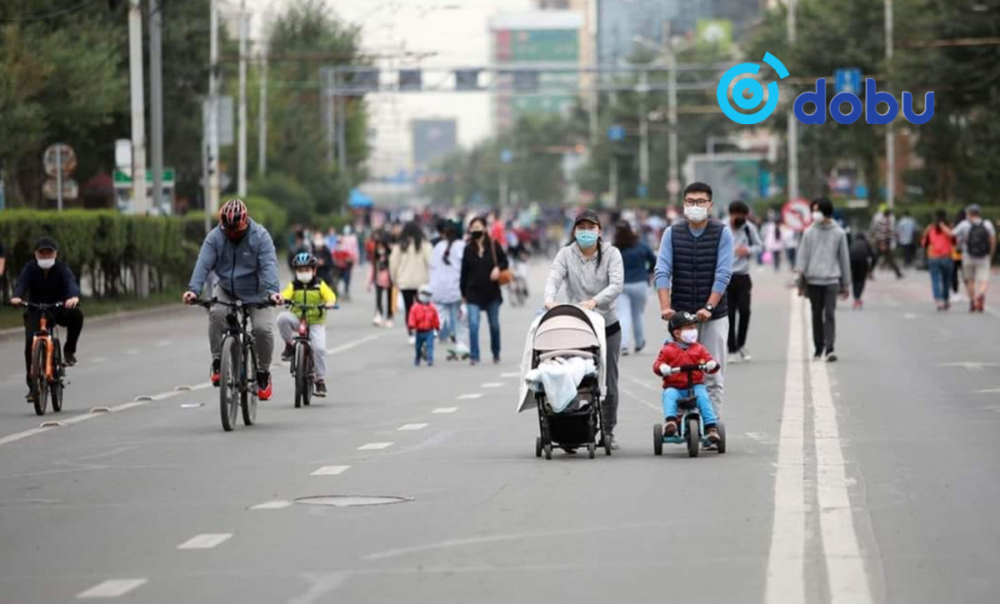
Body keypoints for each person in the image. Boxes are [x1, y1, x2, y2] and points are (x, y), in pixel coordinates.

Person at [183, 198, 282, 400]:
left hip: (258, 291)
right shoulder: (215, 237)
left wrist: (273, 292)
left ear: (244, 222)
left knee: (262, 329)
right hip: (227, 288)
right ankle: (218, 360)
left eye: (235, 229)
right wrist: (193, 290)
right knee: (217, 313)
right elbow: (203, 263)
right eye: (226, 228)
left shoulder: (260, 236)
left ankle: (263, 373)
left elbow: (269, 264)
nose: (231, 233)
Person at [545, 210, 624, 448]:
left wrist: (595, 301)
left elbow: (617, 284)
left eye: (591, 228)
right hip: (578, 327)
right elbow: (554, 277)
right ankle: (570, 425)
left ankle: (608, 429)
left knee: (609, 379)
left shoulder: (611, 253)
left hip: (607, 323)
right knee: (574, 376)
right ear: (574, 231)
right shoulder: (566, 254)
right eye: (581, 228)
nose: (586, 232)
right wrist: (549, 299)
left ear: (599, 231)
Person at [655, 182, 733, 418]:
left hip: (713, 315)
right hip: (681, 317)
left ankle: (711, 424)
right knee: (677, 371)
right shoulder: (672, 233)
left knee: (712, 372)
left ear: (710, 205)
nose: (695, 206)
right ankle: (679, 419)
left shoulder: (722, 232)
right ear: (683, 205)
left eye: (700, 202)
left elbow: (723, 273)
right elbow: (662, 270)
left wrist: (709, 306)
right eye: (690, 201)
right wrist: (665, 307)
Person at [10, 237, 84, 402]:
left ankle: (69, 351)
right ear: (35, 254)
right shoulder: (30, 268)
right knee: (30, 343)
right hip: (35, 309)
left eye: (48, 253)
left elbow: (70, 282)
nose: (45, 257)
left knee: (77, 315)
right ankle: (32, 387)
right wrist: (16, 297)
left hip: (57, 308)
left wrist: (73, 297)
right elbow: (21, 284)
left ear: (55, 254)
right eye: (41, 253)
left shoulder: (61, 268)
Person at [796, 198, 851, 362]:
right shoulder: (808, 232)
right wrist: (800, 281)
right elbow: (802, 258)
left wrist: (846, 284)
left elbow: (844, 259)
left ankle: (830, 348)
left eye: (817, 210)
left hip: (832, 280)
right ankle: (818, 348)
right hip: (813, 280)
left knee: (830, 314)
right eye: (813, 210)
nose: (814, 214)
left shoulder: (839, 233)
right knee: (816, 314)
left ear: (826, 212)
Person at [653, 312, 721, 443]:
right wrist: (662, 368)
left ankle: (711, 427)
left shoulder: (699, 349)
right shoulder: (668, 350)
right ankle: (671, 422)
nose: (693, 331)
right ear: (677, 333)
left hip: (695, 385)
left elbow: (710, 362)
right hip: (674, 386)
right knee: (668, 395)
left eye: (694, 327)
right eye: (689, 328)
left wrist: (711, 364)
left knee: (703, 397)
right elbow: (658, 364)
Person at [276, 252, 337, 397]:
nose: (304, 273)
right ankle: (290, 345)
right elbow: (285, 294)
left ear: (314, 270)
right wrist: (281, 299)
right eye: (300, 270)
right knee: (282, 318)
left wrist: (329, 303)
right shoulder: (294, 285)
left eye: (307, 270)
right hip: (298, 318)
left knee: (319, 349)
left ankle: (320, 380)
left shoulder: (319, 284)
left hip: (316, 321)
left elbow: (330, 295)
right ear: (296, 272)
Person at [461, 216, 509, 365]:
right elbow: (464, 272)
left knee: (494, 325)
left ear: (485, 228)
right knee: (473, 324)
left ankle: (496, 352)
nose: (475, 230)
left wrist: (497, 268)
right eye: (472, 227)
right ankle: (474, 355)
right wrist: (462, 293)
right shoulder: (468, 249)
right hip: (473, 292)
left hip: (492, 293)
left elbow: (505, 261)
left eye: (478, 227)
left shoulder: (494, 245)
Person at [727, 201, 763, 362]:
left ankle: (741, 343)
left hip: (743, 275)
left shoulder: (749, 228)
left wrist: (747, 250)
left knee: (745, 310)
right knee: (728, 314)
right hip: (725, 276)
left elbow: (760, 246)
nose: (740, 219)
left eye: (743, 216)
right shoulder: (722, 228)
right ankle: (731, 348)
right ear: (731, 214)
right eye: (737, 215)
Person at [613, 220, 656, 356]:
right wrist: (648, 273)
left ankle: (624, 345)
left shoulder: (615, 249)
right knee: (637, 314)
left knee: (623, 315)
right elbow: (654, 261)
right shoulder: (641, 246)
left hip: (621, 285)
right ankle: (639, 342)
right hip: (640, 284)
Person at [390, 221, 432, 344]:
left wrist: (395, 279)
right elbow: (431, 262)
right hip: (422, 282)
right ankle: (422, 331)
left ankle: (411, 333)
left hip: (405, 281)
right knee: (423, 308)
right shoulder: (425, 245)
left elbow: (393, 263)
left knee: (409, 309)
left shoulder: (400, 245)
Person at [952, 204, 996, 312]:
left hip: (968, 255)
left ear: (969, 213)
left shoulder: (964, 224)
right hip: (983, 256)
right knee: (984, 279)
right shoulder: (987, 224)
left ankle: (972, 301)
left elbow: (953, 234)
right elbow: (992, 239)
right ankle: (981, 294)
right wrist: (991, 253)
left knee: (969, 280)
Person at [429, 220, 466, 348]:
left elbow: (431, 266)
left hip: (438, 289)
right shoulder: (461, 246)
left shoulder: (438, 247)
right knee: (458, 318)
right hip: (456, 289)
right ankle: (459, 343)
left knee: (439, 318)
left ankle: (429, 340)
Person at [921, 209, 955, 311]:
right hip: (946, 257)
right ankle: (946, 300)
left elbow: (923, 243)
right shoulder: (948, 228)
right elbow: (954, 239)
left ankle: (938, 301)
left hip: (933, 257)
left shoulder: (930, 229)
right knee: (946, 280)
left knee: (935, 280)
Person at [408, 284, 441, 367]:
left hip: (429, 330)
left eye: (428, 295)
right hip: (419, 331)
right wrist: (412, 326)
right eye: (425, 294)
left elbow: (435, 318)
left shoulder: (432, 307)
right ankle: (417, 358)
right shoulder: (415, 307)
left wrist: (437, 327)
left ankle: (430, 359)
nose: (426, 297)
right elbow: (412, 317)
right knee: (418, 347)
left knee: (430, 346)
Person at [870, 206, 903, 279]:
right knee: (888, 258)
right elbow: (882, 233)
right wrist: (882, 244)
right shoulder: (885, 221)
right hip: (883, 243)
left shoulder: (883, 221)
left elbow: (887, 232)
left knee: (879, 258)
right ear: (888, 214)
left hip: (883, 242)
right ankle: (898, 273)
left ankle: (898, 273)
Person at [369, 233, 394, 328]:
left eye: (382, 245)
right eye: (378, 245)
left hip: (389, 280)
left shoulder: (390, 255)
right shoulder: (376, 257)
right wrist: (369, 282)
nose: (380, 248)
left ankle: (389, 317)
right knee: (378, 299)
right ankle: (378, 315)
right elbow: (373, 269)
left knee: (389, 299)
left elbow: (394, 267)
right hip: (378, 280)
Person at [848, 232, 876, 310]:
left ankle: (856, 298)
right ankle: (858, 297)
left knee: (855, 280)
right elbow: (873, 257)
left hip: (852, 261)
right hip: (863, 261)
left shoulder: (853, 243)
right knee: (861, 280)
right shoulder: (866, 243)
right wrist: (870, 270)